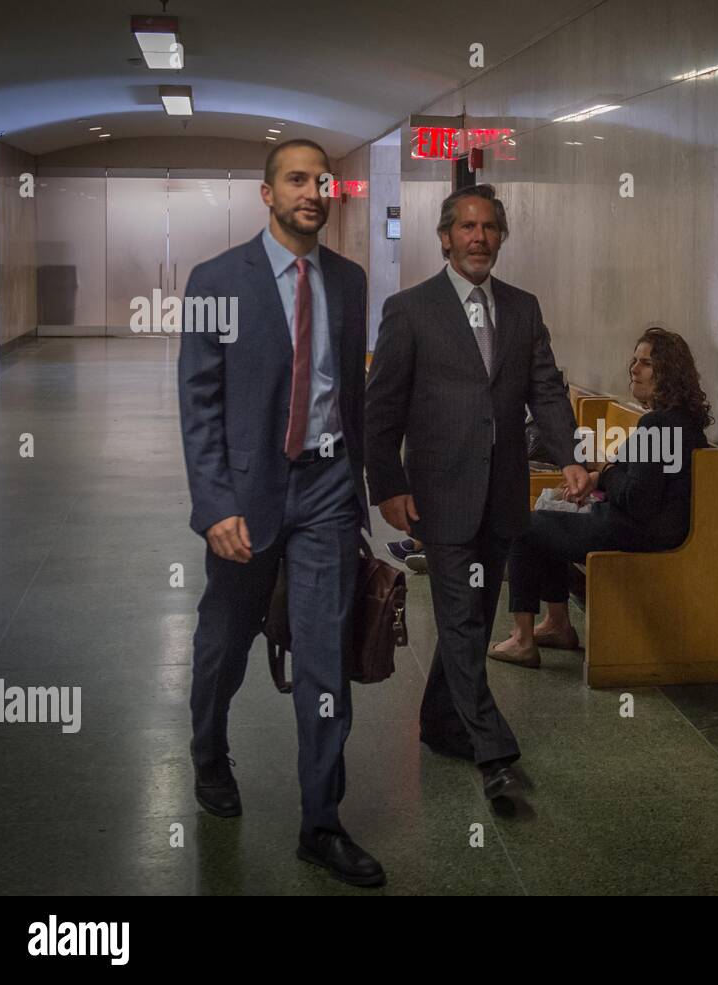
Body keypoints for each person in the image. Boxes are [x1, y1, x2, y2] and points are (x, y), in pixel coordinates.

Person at [178, 139, 384, 887]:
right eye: (296, 179)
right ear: (267, 194)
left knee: (325, 655)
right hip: (247, 497)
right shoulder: (214, 281)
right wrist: (215, 506)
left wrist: (371, 485)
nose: (312, 191)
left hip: (327, 488)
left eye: (321, 180)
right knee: (225, 642)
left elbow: (352, 399)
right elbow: (198, 405)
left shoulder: (350, 281)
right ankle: (207, 750)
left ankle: (321, 822)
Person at [365, 184, 590, 801]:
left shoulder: (522, 308)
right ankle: (495, 755)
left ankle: (441, 722)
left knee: (475, 614)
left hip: (504, 493)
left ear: (500, 237)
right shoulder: (410, 309)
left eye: (489, 227)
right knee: (462, 621)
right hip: (437, 496)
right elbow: (380, 407)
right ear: (444, 237)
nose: (478, 238)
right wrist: (386, 484)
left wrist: (570, 455)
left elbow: (545, 390)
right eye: (466, 227)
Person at [489, 327, 712, 668]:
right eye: (634, 361)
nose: (634, 370)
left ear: (669, 373)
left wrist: (604, 474)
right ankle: (558, 625)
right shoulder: (680, 422)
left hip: (640, 531)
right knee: (547, 522)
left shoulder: (659, 425)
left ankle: (523, 640)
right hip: (651, 525)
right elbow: (641, 484)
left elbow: (638, 499)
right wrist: (601, 477)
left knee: (527, 526)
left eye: (646, 363)